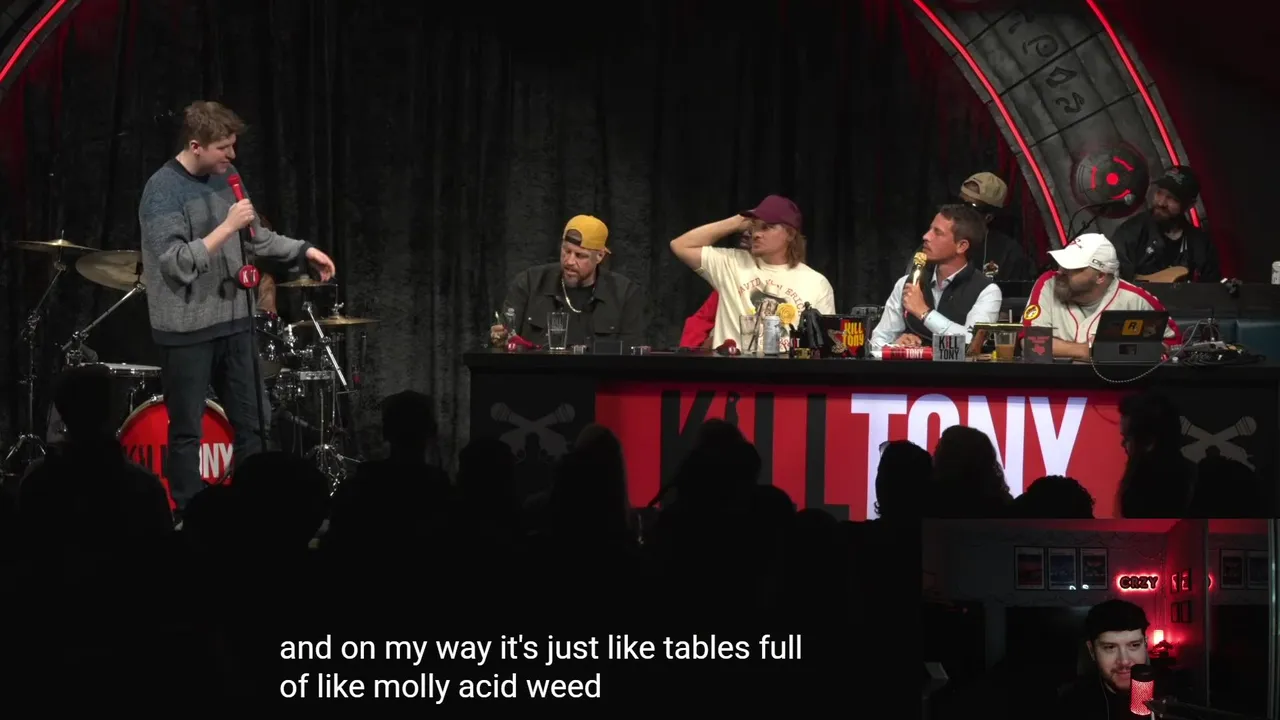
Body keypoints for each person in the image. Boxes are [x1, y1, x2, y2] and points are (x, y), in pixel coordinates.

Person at [138, 101, 336, 518]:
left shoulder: (227, 177)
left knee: (256, 423)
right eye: (223, 147)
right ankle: (190, 516)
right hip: (187, 331)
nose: (232, 155)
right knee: (187, 433)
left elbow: (257, 238)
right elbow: (176, 263)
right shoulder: (161, 191)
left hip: (235, 324)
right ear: (196, 145)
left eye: (233, 145)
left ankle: (256, 510)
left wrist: (305, 251)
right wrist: (226, 226)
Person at [670, 195, 835, 349]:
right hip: (732, 369)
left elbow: (825, 348)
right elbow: (680, 246)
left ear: (790, 234)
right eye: (754, 227)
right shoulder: (731, 263)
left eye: (766, 227)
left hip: (786, 369)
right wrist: (736, 222)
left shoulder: (816, 283)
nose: (756, 234)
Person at [493, 215, 648, 349]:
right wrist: (497, 337)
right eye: (566, 251)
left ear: (600, 256)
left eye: (580, 255)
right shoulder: (530, 283)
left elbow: (631, 355)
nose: (569, 261)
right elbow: (501, 339)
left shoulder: (624, 294)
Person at [1022, 233, 1177, 360]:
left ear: (1100, 276)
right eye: (1061, 264)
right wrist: (1091, 351)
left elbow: (1174, 345)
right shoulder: (1048, 283)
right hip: (1055, 383)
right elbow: (1030, 344)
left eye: (1071, 267)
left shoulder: (1136, 299)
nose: (1061, 271)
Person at [868, 204, 1002, 350]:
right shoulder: (907, 284)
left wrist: (924, 313)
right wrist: (895, 346)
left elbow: (972, 343)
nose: (926, 236)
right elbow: (876, 343)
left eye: (937, 232)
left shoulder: (987, 291)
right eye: (930, 229)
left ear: (961, 246)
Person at [1112, 165, 1219, 283]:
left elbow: (1211, 289)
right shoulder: (1131, 231)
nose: (1161, 202)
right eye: (1159, 193)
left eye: (1172, 198)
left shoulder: (1201, 245)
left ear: (1190, 204)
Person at [1058, 599, 1158, 720]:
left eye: (1134, 645)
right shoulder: (1071, 704)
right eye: (1110, 647)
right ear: (1092, 651)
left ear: (1145, 644)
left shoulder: (1173, 693)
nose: (1124, 661)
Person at [957, 171, 1035, 282]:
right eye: (960, 202)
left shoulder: (1009, 254)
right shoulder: (939, 237)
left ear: (988, 217)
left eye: (971, 206)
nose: (961, 211)